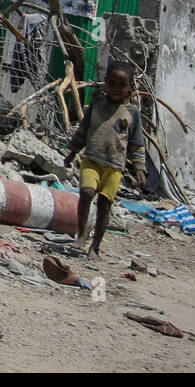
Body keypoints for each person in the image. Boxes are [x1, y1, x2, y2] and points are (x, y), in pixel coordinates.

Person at [64, 61, 146, 260]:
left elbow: (136, 143)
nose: (116, 89)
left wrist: (140, 167)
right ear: (106, 83)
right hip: (91, 159)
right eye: (112, 84)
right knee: (86, 193)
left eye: (122, 85)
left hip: (114, 167)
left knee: (104, 204)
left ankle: (95, 246)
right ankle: (82, 234)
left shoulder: (132, 112)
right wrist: (72, 152)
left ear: (130, 87)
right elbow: (83, 130)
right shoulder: (97, 104)